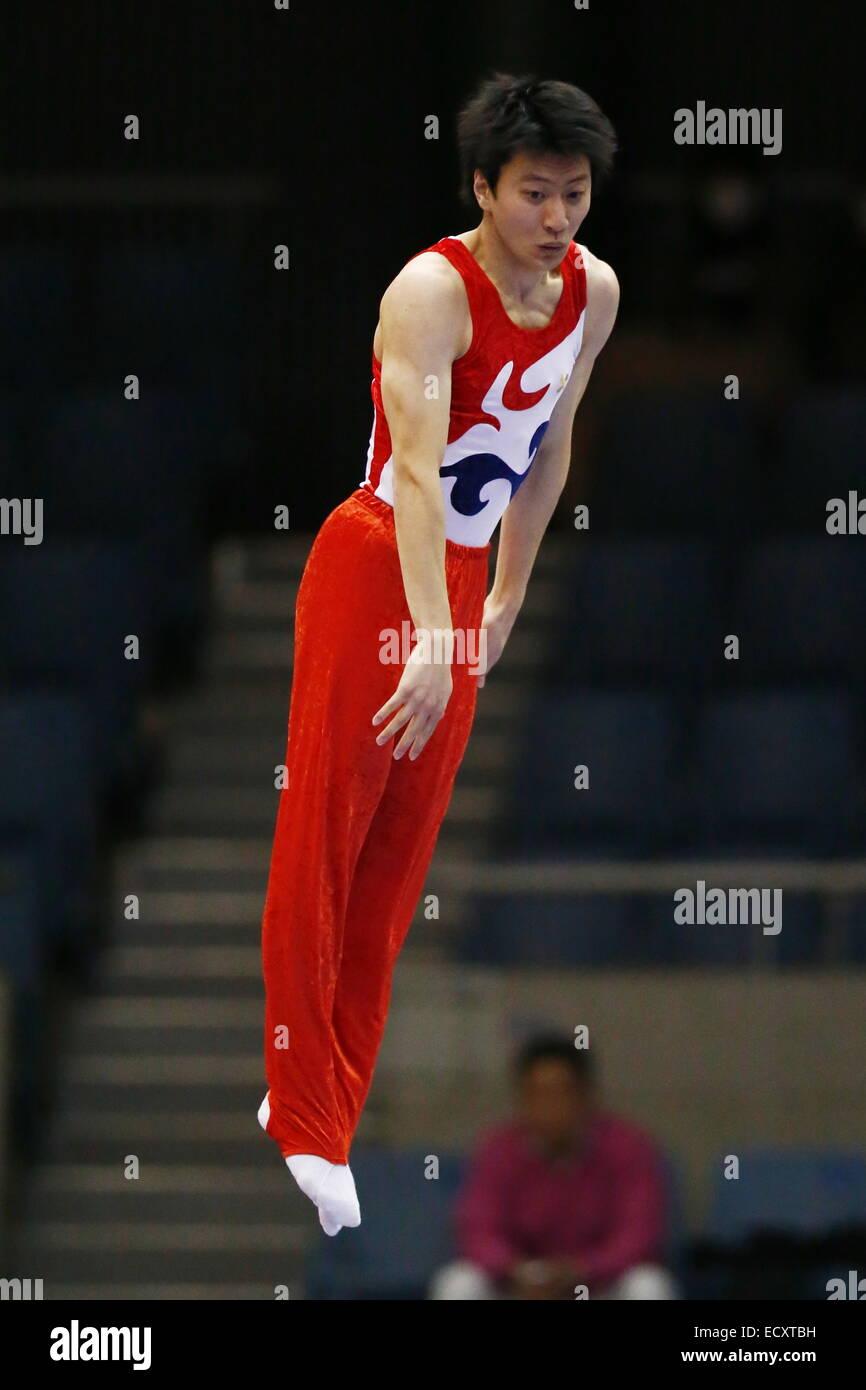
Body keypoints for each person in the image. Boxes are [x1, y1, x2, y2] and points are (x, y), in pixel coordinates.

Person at [257, 70, 620, 1237]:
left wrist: (507, 593)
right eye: (531, 195)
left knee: (396, 862)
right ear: (481, 186)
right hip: (377, 562)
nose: (554, 218)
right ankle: (299, 1105)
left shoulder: (592, 294)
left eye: (571, 194)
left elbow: (550, 445)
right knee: (325, 827)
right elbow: (416, 471)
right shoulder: (430, 291)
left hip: (459, 581)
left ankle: (328, 1106)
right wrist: (425, 629)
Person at [430, 1037, 678, 1299]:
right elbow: (477, 1230)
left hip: (595, 1283)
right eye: (538, 1094)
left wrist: (582, 1269)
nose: (550, 1106)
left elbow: (638, 1234)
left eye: (561, 1093)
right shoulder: (497, 1150)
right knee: (458, 1283)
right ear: (522, 1098)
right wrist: (514, 1270)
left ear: (585, 1094)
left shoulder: (629, 1148)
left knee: (649, 1285)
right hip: (522, 1283)